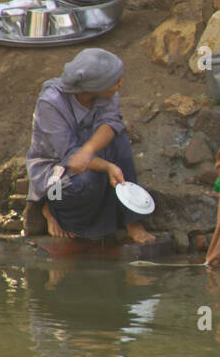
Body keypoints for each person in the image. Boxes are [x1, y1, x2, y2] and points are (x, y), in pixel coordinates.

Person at [25, 47, 155, 244]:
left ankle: (132, 221)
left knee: (119, 138)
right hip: (57, 167)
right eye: (115, 80)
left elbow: (110, 123)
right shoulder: (51, 103)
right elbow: (69, 155)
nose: (121, 83)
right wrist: (107, 166)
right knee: (85, 183)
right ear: (93, 87)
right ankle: (51, 210)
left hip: (88, 154)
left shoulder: (109, 94)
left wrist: (89, 150)